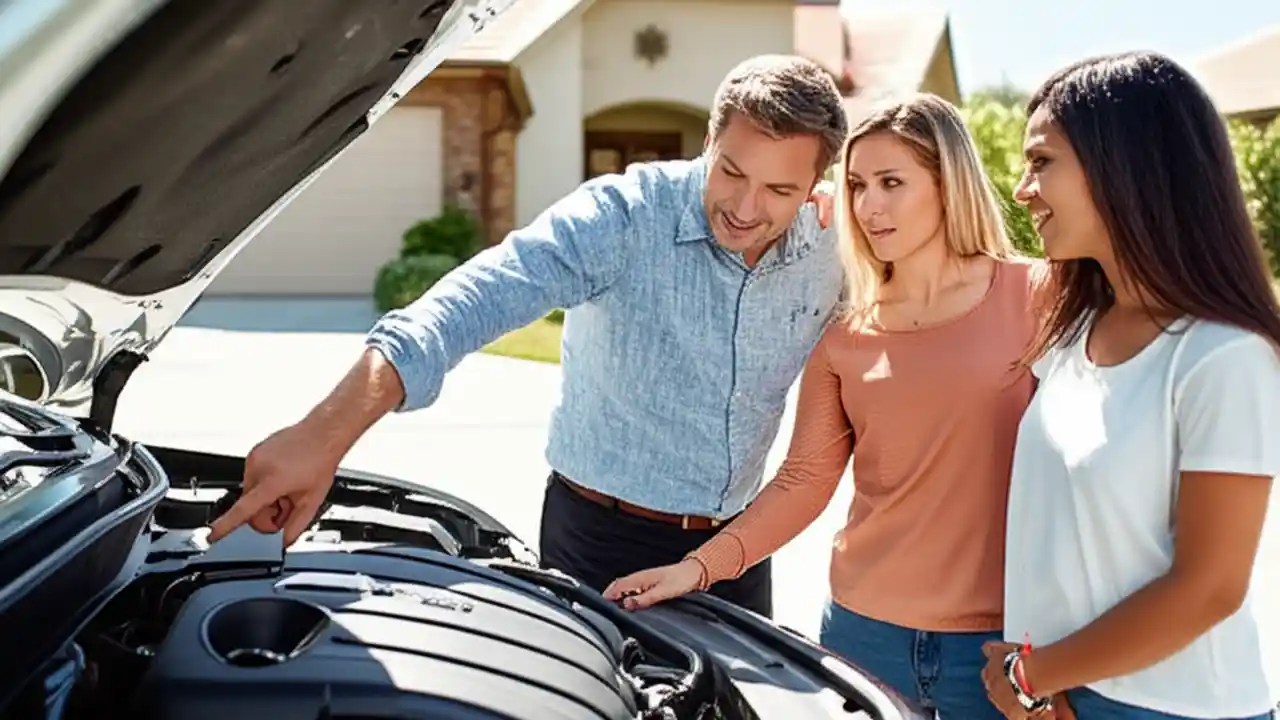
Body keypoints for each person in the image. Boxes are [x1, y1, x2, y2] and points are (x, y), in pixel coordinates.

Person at [204, 54, 850, 619]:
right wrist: (324, 433)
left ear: (816, 185)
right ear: (709, 142)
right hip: (599, 538)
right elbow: (469, 301)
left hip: (738, 548)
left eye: (779, 189)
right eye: (731, 172)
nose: (745, 206)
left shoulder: (830, 247)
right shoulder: (622, 218)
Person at [605, 92, 1044, 719]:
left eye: (893, 183)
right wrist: (694, 569)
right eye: (859, 185)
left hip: (998, 643)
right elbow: (805, 479)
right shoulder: (845, 335)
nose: (870, 206)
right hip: (864, 635)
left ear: (949, 184)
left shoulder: (1037, 295)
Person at [978, 51, 1280, 720]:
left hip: (1170, 709)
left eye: (1042, 162)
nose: (1024, 189)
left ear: (1125, 166)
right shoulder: (1072, 327)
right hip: (1060, 694)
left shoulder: (1224, 357)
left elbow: (1209, 588)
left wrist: (1032, 675)